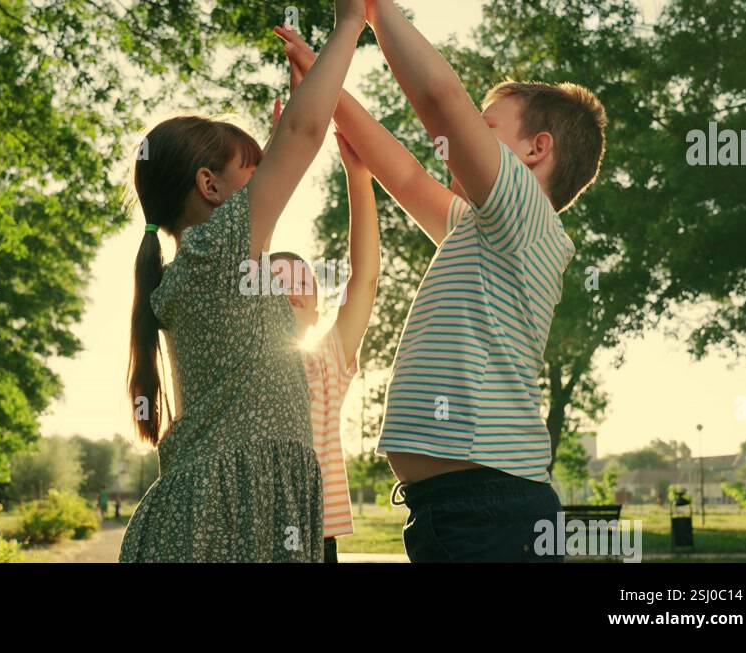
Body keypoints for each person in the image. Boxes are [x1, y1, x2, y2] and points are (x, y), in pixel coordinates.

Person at [277, 0, 606, 561]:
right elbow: (404, 175)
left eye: (485, 127)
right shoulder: (481, 228)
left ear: (536, 150)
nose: (467, 134)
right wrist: (324, 85)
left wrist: (372, 12)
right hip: (456, 507)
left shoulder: (526, 214)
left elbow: (440, 99)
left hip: (489, 507)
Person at [119, 0, 367, 562]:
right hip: (225, 517)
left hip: (215, 516)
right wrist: (350, 23)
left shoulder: (202, 267)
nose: (267, 181)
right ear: (209, 187)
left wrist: (292, 117)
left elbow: (292, 139)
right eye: (252, 171)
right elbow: (304, 134)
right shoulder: (215, 253)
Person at [271, 131, 380, 564]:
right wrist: (277, 157)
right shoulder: (238, 364)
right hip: (249, 538)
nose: (291, 288)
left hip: (317, 540)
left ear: (317, 313)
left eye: (303, 283)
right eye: (275, 282)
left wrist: (359, 176)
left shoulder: (326, 364)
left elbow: (364, 278)